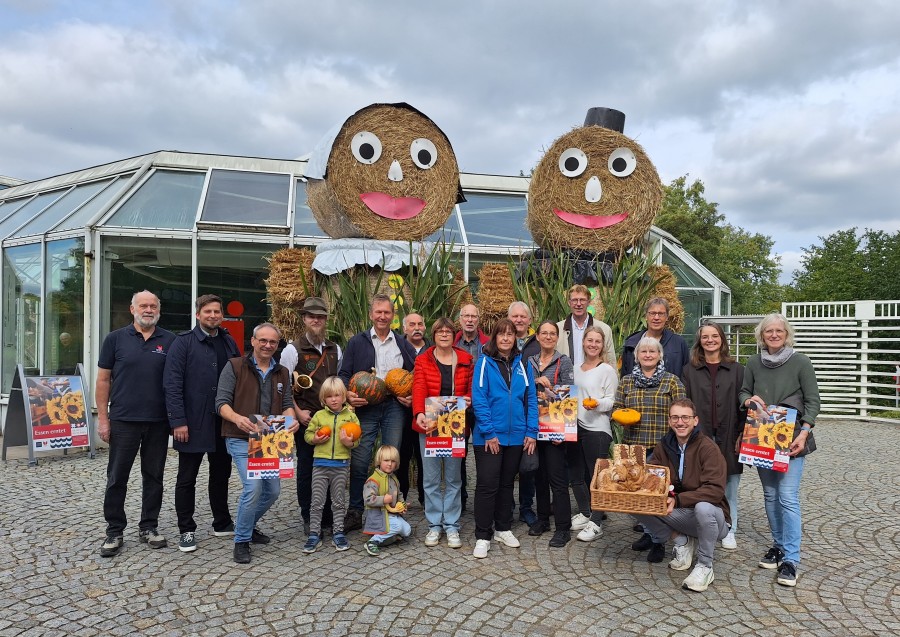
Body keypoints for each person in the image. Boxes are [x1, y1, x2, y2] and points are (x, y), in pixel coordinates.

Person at [739, 313, 820, 588]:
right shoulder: (753, 362)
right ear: (762, 336)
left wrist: (805, 431)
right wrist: (748, 399)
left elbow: (813, 400)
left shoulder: (801, 361)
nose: (774, 335)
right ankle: (777, 546)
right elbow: (743, 392)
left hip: (792, 437)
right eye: (769, 331)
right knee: (770, 494)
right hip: (762, 437)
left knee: (787, 496)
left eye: (779, 331)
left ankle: (791, 559)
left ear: (786, 334)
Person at [96, 290, 176, 558]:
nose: (148, 309)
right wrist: (103, 419)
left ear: (159, 310)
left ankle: (149, 526)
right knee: (117, 477)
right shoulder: (115, 339)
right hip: (123, 420)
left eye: (153, 305)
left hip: (158, 421)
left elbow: (176, 383)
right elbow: (103, 381)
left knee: (154, 477)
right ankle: (114, 530)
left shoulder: (170, 340)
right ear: (133, 309)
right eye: (143, 305)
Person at [164, 294, 240, 553]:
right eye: (208, 311)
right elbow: (172, 384)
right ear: (198, 315)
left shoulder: (229, 342)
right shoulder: (182, 343)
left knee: (221, 475)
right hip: (191, 423)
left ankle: (222, 522)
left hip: (223, 423)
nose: (213, 316)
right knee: (187, 478)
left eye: (217, 311)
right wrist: (178, 422)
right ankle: (186, 529)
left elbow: (240, 380)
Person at [216, 323, 297, 564]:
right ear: (253, 341)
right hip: (240, 436)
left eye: (272, 342)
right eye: (263, 340)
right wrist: (238, 419)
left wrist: (291, 421)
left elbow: (287, 404)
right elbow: (220, 403)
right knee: (253, 488)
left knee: (272, 491)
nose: (267, 345)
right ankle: (241, 540)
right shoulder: (235, 366)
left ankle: (247, 526)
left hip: (270, 437)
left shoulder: (281, 371)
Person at [633, 399, 731, 592]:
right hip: (681, 514)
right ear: (669, 421)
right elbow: (653, 476)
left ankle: (705, 566)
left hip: (714, 519)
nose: (680, 422)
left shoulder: (708, 448)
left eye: (685, 417)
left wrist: (678, 499)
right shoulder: (664, 445)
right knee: (634, 502)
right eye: (675, 417)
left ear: (695, 421)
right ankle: (682, 542)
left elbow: (715, 490)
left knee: (703, 507)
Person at [339, 294, 416, 531]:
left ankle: (393, 508)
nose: (383, 316)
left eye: (387, 312)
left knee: (392, 459)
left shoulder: (403, 344)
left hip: (394, 406)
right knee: (361, 459)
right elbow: (344, 374)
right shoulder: (357, 342)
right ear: (371, 314)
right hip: (367, 406)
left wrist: (412, 395)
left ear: (393, 316)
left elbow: (415, 376)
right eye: (378, 312)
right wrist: (348, 395)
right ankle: (355, 509)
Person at [470, 318, 538, 559]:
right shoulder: (484, 363)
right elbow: (479, 398)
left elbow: (530, 399)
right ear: (494, 337)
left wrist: (531, 431)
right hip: (489, 437)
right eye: (502, 334)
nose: (507, 338)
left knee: (507, 484)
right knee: (488, 485)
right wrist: (488, 432)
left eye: (510, 334)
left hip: (516, 436)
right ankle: (482, 535)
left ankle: (503, 528)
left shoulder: (523, 364)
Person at [278, 297, 342, 535]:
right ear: (304, 319)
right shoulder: (292, 350)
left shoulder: (335, 349)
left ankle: (326, 515)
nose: (316, 320)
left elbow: (339, 383)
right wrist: (296, 412)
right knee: (307, 468)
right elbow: (282, 386)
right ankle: (308, 515)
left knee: (330, 466)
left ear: (326, 320)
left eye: (321, 317)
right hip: (306, 419)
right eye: (312, 316)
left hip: (330, 419)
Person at [617, 335, 686, 551]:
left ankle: (659, 541)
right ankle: (649, 533)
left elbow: (682, 411)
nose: (648, 355)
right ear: (636, 356)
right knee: (636, 494)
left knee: (657, 494)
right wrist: (622, 416)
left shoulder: (672, 381)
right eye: (643, 352)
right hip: (634, 446)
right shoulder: (627, 381)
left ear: (660, 356)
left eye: (652, 352)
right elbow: (616, 407)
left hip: (662, 448)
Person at [412, 317, 474, 549]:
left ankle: (452, 524)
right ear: (434, 334)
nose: (445, 334)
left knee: (453, 477)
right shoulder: (424, 359)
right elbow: (418, 386)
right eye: (440, 331)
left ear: (453, 335)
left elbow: (471, 389)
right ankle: (434, 524)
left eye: (449, 331)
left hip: (455, 424)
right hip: (429, 423)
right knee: (430, 478)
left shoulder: (466, 359)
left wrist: (469, 400)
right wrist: (418, 412)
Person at [682, 321, 745, 550]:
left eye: (714, 336)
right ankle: (700, 527)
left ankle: (729, 527)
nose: (710, 340)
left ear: (722, 339)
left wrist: (741, 433)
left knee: (730, 485)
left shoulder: (737, 370)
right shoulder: (690, 370)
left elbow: (743, 405)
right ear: (700, 341)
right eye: (705, 337)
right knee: (700, 483)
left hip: (729, 434)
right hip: (702, 436)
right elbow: (686, 403)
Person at [526, 321, 575, 547]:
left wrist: (550, 389)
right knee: (539, 475)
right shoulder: (529, 362)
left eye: (552, 333)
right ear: (537, 337)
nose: (547, 337)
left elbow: (568, 394)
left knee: (557, 478)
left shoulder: (563, 362)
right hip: (534, 427)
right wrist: (536, 381)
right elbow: (524, 389)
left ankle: (563, 528)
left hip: (555, 428)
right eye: (543, 333)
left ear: (557, 338)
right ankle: (543, 518)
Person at [570, 326, 619, 543]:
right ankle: (586, 511)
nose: (593, 344)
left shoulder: (607, 369)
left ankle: (597, 522)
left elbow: (612, 400)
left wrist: (597, 404)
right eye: (589, 340)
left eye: (597, 341)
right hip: (575, 427)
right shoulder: (575, 368)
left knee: (597, 477)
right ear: (583, 342)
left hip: (597, 429)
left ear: (602, 345)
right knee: (576, 475)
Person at [302, 376, 359, 554]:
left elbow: (357, 440)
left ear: (343, 396)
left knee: (338, 501)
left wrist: (349, 443)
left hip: (341, 466)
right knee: (317, 501)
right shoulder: (319, 416)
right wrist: (315, 439)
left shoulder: (350, 416)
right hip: (320, 465)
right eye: (329, 396)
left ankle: (338, 532)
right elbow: (307, 436)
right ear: (323, 399)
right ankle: (314, 533)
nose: (333, 399)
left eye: (337, 395)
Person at [507, 301, 540, 526]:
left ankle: (527, 507)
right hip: (509, 415)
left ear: (529, 320)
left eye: (523, 317)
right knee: (507, 467)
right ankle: (506, 506)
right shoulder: (501, 341)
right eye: (515, 316)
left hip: (530, 410)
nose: (519, 320)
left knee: (528, 466)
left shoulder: (538, 343)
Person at [453, 303, 488, 510]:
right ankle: (461, 498)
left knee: (486, 452)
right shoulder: (451, 342)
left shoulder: (487, 344)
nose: (469, 320)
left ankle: (484, 498)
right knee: (459, 454)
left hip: (482, 405)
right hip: (458, 406)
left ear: (478, 319)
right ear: (460, 320)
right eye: (466, 316)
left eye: (473, 316)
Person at [620, 298, 690, 381]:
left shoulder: (678, 343)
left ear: (667, 317)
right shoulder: (632, 343)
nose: (656, 317)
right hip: (638, 392)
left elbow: (687, 376)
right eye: (652, 313)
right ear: (646, 316)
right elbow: (624, 376)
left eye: (661, 314)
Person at [398, 312, 427, 506]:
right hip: (401, 410)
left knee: (425, 455)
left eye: (420, 324)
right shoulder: (397, 347)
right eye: (412, 324)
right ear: (405, 329)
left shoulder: (433, 349)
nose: (416, 328)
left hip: (427, 412)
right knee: (402, 454)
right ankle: (401, 497)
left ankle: (426, 499)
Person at [363, 445, 411, 556]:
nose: (390, 464)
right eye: (386, 460)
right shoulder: (373, 480)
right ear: (379, 461)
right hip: (379, 515)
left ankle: (388, 537)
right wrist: (383, 499)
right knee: (398, 527)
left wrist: (402, 505)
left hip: (393, 514)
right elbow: (368, 499)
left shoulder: (394, 478)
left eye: (393, 461)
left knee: (407, 530)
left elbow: (399, 494)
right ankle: (373, 541)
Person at [555, 284, 616, 368]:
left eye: (582, 300)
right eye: (575, 300)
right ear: (569, 303)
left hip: (594, 379)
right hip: (565, 379)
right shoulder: (557, 329)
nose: (578, 304)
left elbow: (611, 361)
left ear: (589, 302)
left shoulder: (604, 329)